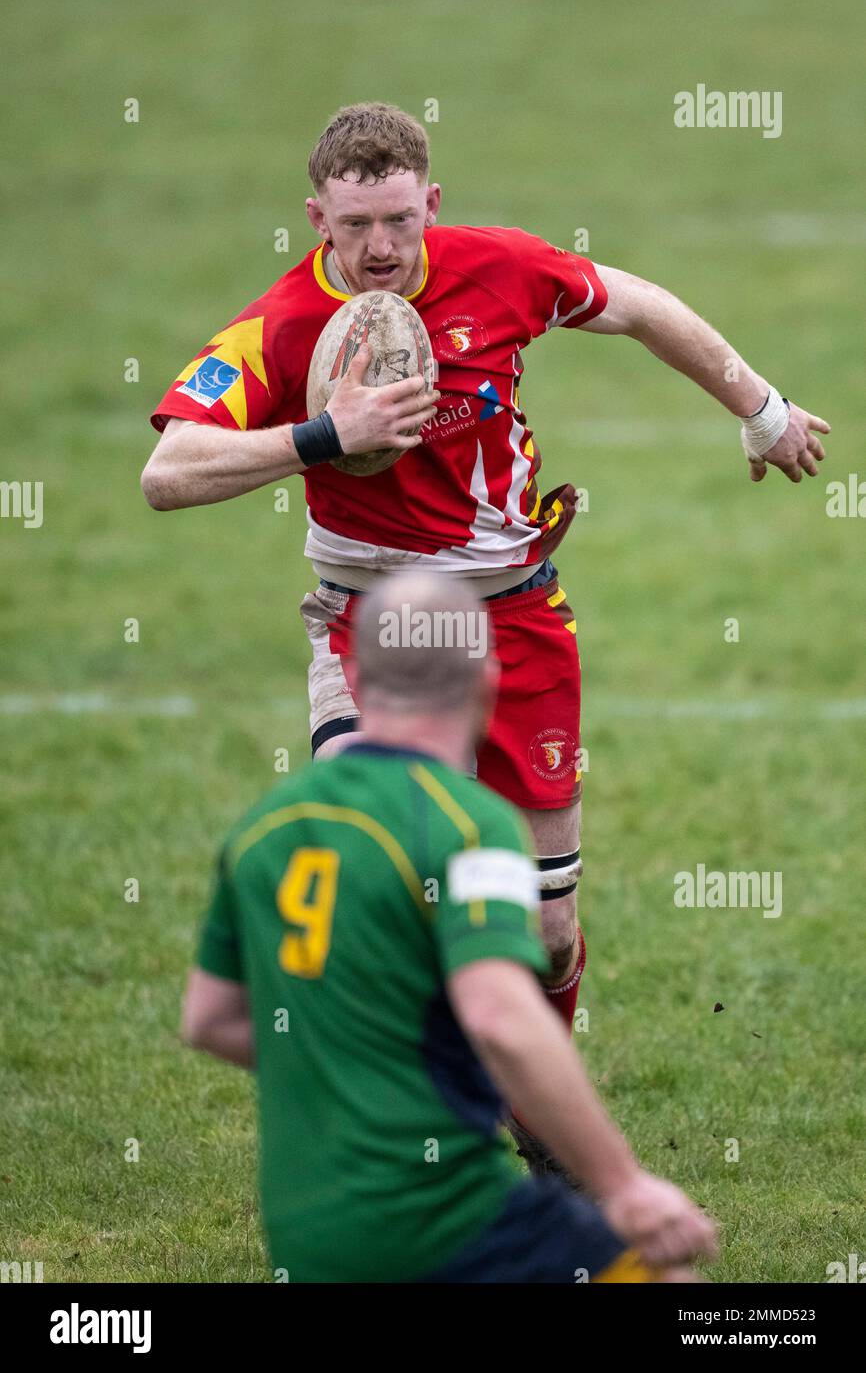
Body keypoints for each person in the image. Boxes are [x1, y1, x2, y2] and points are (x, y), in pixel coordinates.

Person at [149, 102, 829, 1176]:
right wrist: (329, 435)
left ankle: (546, 1134)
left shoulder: (500, 271)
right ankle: (382, 1129)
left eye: (397, 222)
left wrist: (761, 409)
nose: (378, 250)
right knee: (375, 874)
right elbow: (165, 472)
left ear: (431, 203)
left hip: (512, 617)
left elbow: (638, 303)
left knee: (548, 931)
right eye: (353, 225)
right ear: (314, 217)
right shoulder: (279, 328)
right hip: (365, 626)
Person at [182, 574, 716, 1282]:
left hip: (303, 1235)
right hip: (442, 1220)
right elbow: (499, 1015)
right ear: (488, 680)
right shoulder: (469, 823)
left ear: (357, 675)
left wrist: (352, 1058)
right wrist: (625, 1186)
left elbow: (208, 1020)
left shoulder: (262, 831)